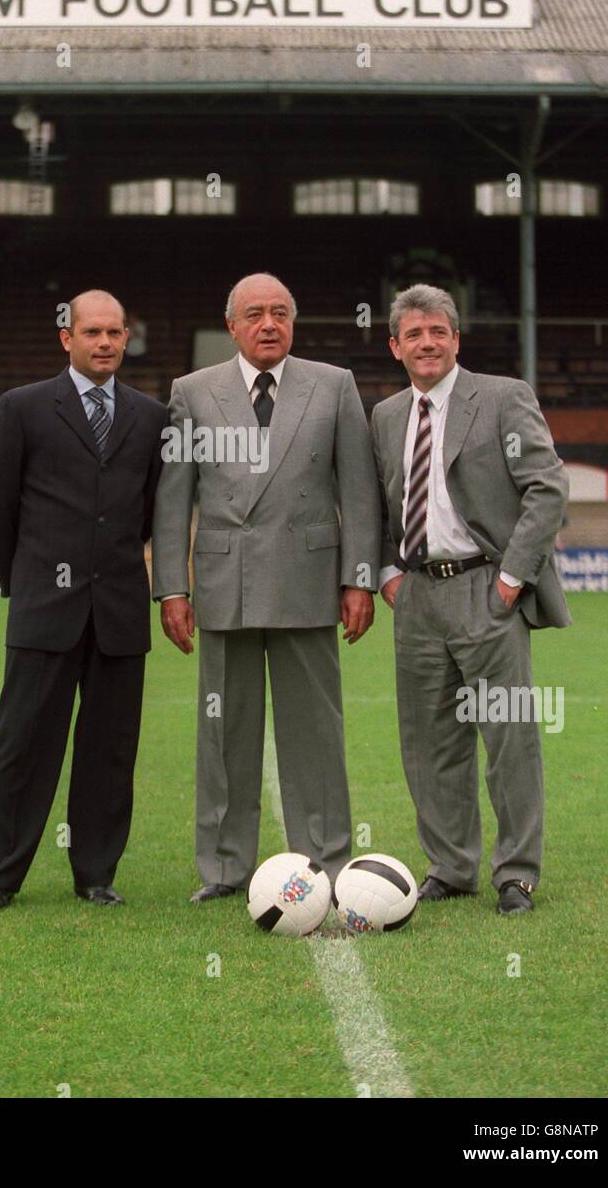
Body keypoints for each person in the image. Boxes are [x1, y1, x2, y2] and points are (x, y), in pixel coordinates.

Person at [151, 272, 380, 901]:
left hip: (310, 585)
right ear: (232, 325)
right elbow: (173, 502)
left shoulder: (334, 386)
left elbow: (360, 494)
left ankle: (327, 864)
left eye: (280, 312)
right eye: (254, 314)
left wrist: (359, 578)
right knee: (224, 735)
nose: (268, 324)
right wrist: (172, 588)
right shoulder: (192, 393)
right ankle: (224, 869)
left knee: (316, 735)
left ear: (294, 322)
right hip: (226, 587)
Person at [370, 283, 570, 916]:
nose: (427, 343)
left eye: (439, 332)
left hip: (489, 588)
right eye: (414, 334)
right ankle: (451, 867)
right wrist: (385, 572)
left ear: (456, 339)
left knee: (508, 736)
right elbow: (379, 501)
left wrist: (513, 575)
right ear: (395, 345)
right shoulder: (385, 416)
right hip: (418, 595)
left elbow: (548, 487)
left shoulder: (504, 398)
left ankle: (516, 873)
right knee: (429, 743)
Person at [0, 291, 167, 911]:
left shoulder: (152, 415)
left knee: (110, 750)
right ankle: (0, 876)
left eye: (116, 332)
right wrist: (22, 579)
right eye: (93, 332)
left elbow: (151, 511)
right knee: (24, 744)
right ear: (67, 338)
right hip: (43, 609)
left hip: (118, 614)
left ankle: (95, 874)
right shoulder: (24, 408)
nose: (106, 343)